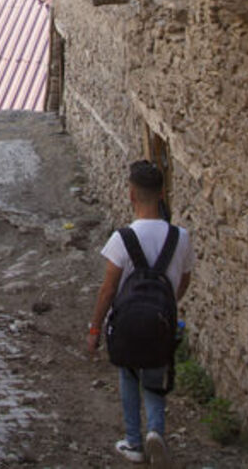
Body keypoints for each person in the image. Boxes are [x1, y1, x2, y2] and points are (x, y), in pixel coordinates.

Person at [86, 160, 194, 466]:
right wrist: (166, 305)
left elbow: (108, 289)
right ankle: (156, 431)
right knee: (155, 374)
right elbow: (184, 280)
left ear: (131, 194)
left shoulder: (122, 238)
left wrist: (95, 329)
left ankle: (133, 441)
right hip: (161, 320)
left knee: (129, 375)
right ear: (162, 193)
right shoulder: (180, 237)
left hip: (127, 323)